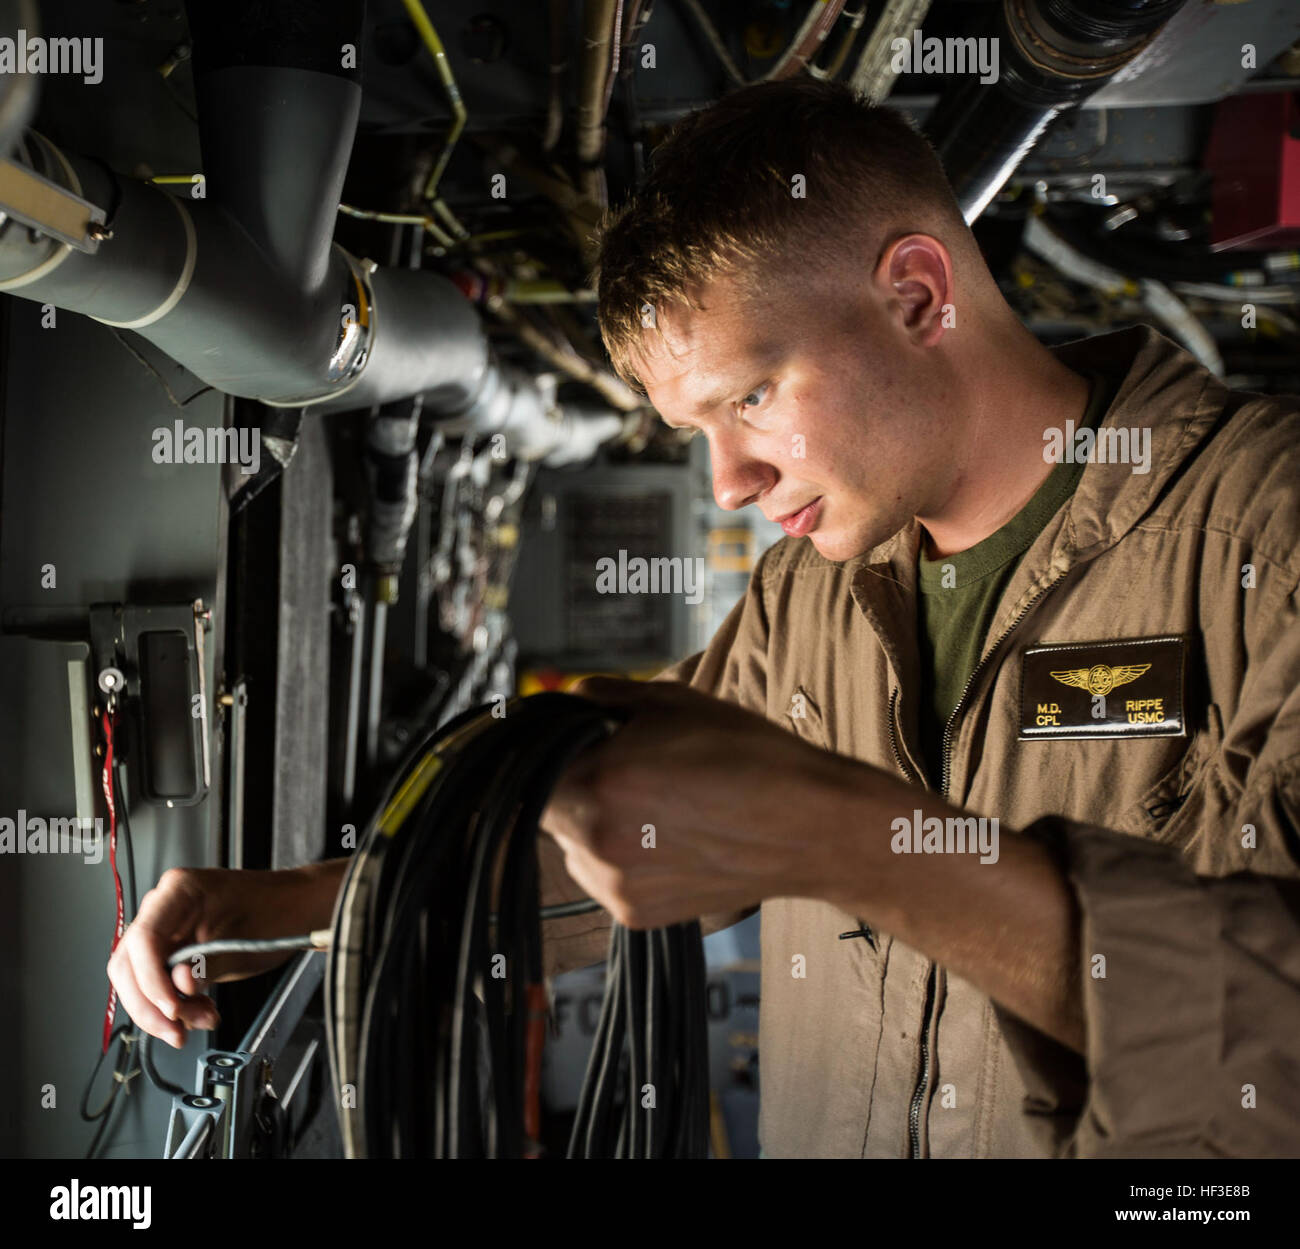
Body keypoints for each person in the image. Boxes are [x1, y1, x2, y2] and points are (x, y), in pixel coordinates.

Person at [109, 78, 1300, 1159]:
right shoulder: (811, 591)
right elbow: (640, 844)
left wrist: (847, 840)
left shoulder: (1262, 534)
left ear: (917, 294)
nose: (728, 481)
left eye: (752, 394)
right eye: (699, 434)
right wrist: (304, 904)